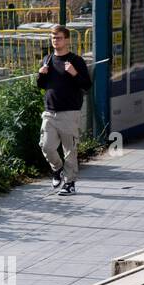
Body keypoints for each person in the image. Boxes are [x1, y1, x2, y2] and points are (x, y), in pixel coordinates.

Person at [37, 24, 92, 196]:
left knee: (70, 150)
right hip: (50, 112)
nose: (55, 41)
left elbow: (87, 85)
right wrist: (41, 74)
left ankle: (70, 183)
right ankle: (58, 169)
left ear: (67, 40)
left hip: (69, 111)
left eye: (59, 38)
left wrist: (74, 73)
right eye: (53, 38)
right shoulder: (46, 60)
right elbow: (41, 86)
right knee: (46, 146)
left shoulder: (75, 61)